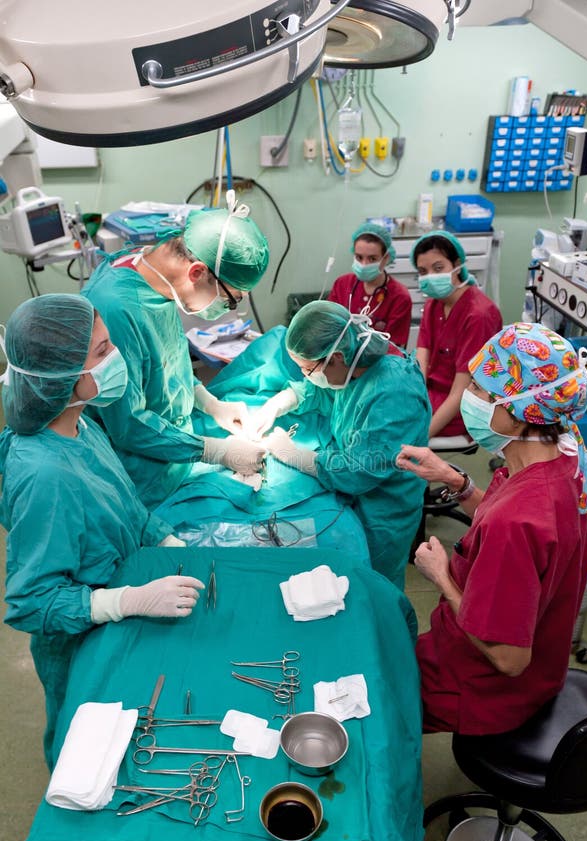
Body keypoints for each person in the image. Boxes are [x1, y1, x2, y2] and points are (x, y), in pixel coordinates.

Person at [0, 294, 205, 767]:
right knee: (84, 752)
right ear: (63, 377)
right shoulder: (45, 475)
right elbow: (32, 601)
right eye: (103, 351)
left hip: (117, 605)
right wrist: (124, 601)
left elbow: (123, 505)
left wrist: (166, 538)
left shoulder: (79, 423)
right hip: (79, 642)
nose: (117, 359)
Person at [396, 322, 587, 735]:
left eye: (482, 392)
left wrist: (441, 577)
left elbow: (508, 659)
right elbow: (521, 523)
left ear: (519, 411)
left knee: (375, 695)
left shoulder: (519, 518)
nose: (468, 399)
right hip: (545, 668)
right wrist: (458, 481)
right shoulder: (574, 464)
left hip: (483, 688)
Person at [82, 192, 269, 508]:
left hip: (175, 446)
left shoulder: (158, 277)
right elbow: (128, 424)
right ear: (196, 272)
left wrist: (208, 403)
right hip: (140, 474)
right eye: (230, 298)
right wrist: (217, 451)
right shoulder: (116, 309)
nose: (226, 307)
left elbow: (165, 359)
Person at [250, 300, 431, 587]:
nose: (307, 377)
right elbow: (330, 391)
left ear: (335, 357)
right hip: (357, 496)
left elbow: (360, 470)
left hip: (384, 510)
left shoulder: (394, 393)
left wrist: (297, 456)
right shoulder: (353, 365)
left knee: (374, 587)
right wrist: (283, 401)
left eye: (308, 370)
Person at [412, 230, 502, 439]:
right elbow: (421, 363)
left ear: (457, 264)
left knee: (390, 427)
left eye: (438, 268)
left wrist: (421, 437)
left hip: (462, 407)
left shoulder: (478, 315)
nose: (430, 277)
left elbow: (461, 392)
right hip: (430, 395)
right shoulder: (434, 304)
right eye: (423, 271)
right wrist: (411, 396)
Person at [328, 222, 412, 349]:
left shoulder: (399, 297)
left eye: (372, 259)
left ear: (385, 258)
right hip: (341, 359)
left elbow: (394, 348)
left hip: (379, 364)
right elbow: (330, 326)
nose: (364, 264)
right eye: (359, 257)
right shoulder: (342, 284)